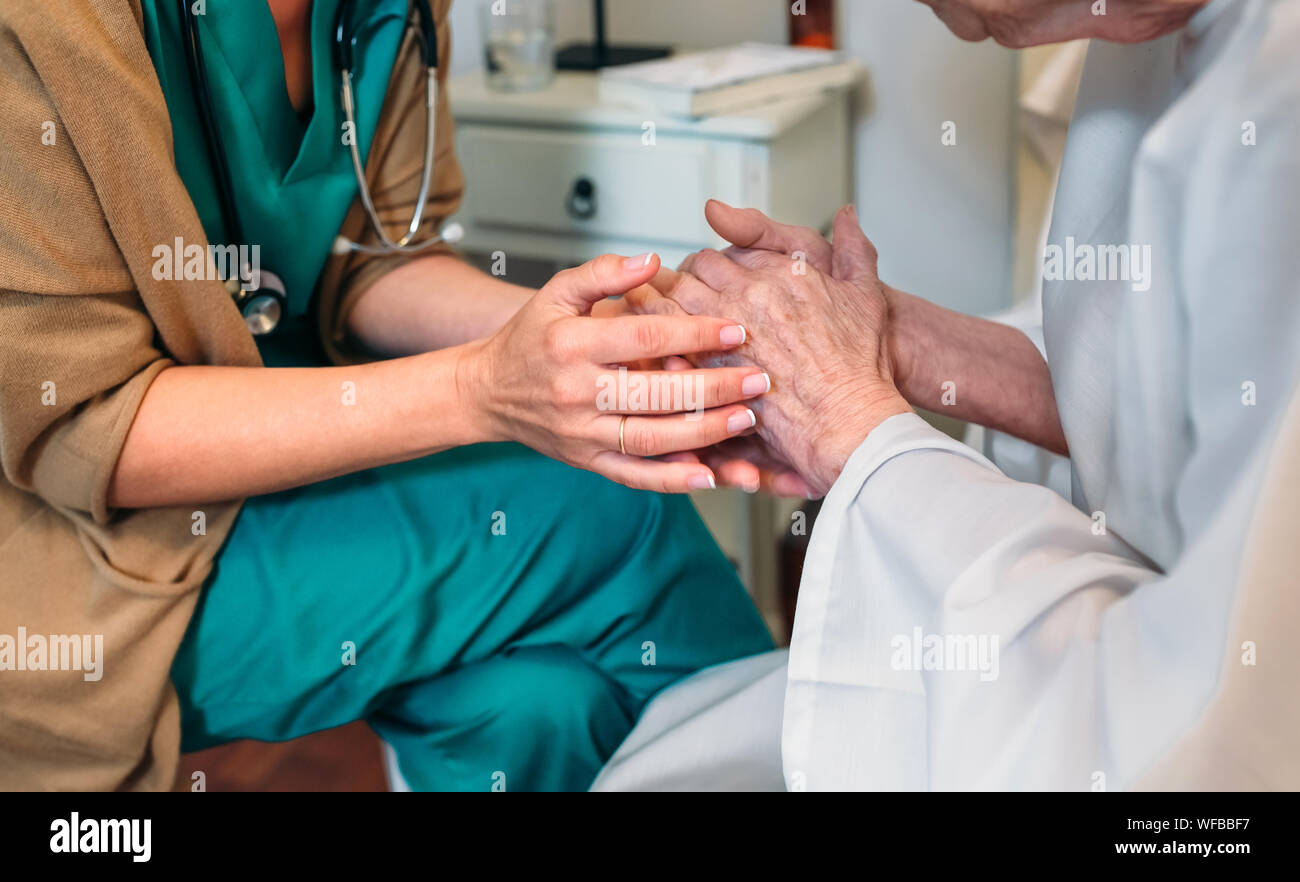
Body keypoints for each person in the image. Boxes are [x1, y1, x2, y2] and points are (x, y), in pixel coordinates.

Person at [0, 0, 778, 791]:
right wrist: (480, 389)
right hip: (80, 549)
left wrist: (583, 346)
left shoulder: (399, 10)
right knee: (610, 504)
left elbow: (372, 260)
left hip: (310, 454)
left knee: (531, 707)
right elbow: (85, 427)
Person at [598, 0, 1300, 790]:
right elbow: (1134, 388)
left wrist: (845, 417)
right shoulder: (1154, 33)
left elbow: (1203, 744)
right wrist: (874, 336)